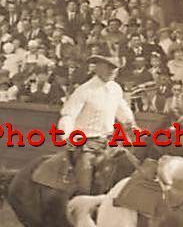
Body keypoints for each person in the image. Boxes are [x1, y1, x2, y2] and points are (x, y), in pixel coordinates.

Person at [57, 54, 136, 194]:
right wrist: (68, 138)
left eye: (115, 68)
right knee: (85, 182)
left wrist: (130, 123)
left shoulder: (116, 89)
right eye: (108, 67)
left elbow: (121, 109)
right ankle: (79, 205)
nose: (112, 71)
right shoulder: (84, 90)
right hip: (86, 143)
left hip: (110, 142)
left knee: (131, 166)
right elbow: (68, 115)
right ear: (97, 68)